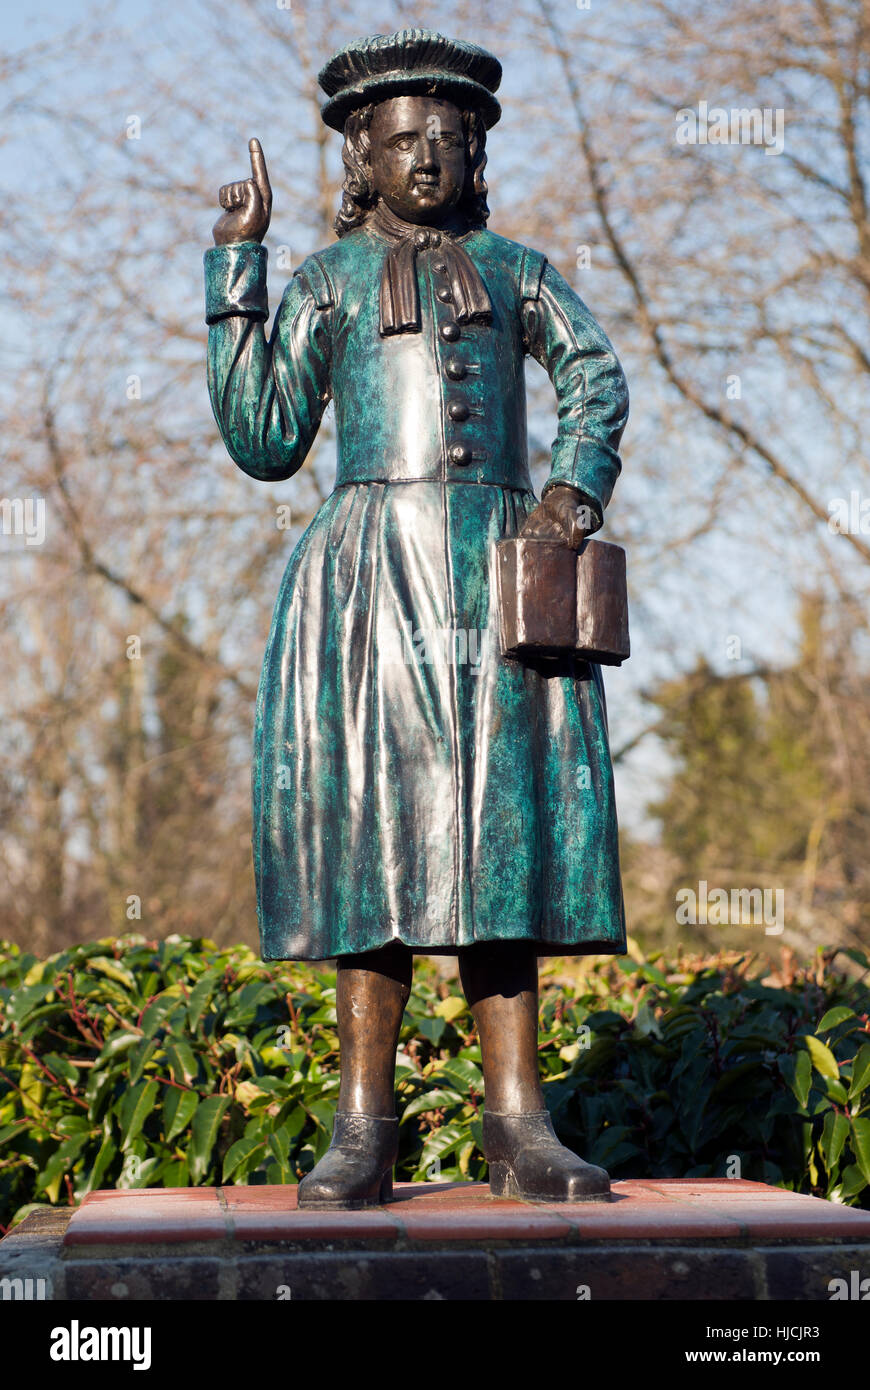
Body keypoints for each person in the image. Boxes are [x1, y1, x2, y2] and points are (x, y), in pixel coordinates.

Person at [204, 29, 629, 1207]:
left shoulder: (516, 267)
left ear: (477, 147)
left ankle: (518, 1121)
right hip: (368, 582)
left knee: (502, 843)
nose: (429, 156)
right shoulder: (326, 281)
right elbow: (264, 437)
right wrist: (236, 269)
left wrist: (568, 496)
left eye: (451, 136)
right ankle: (361, 1126)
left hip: (500, 574)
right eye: (403, 139)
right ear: (361, 156)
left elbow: (596, 372)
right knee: (370, 845)